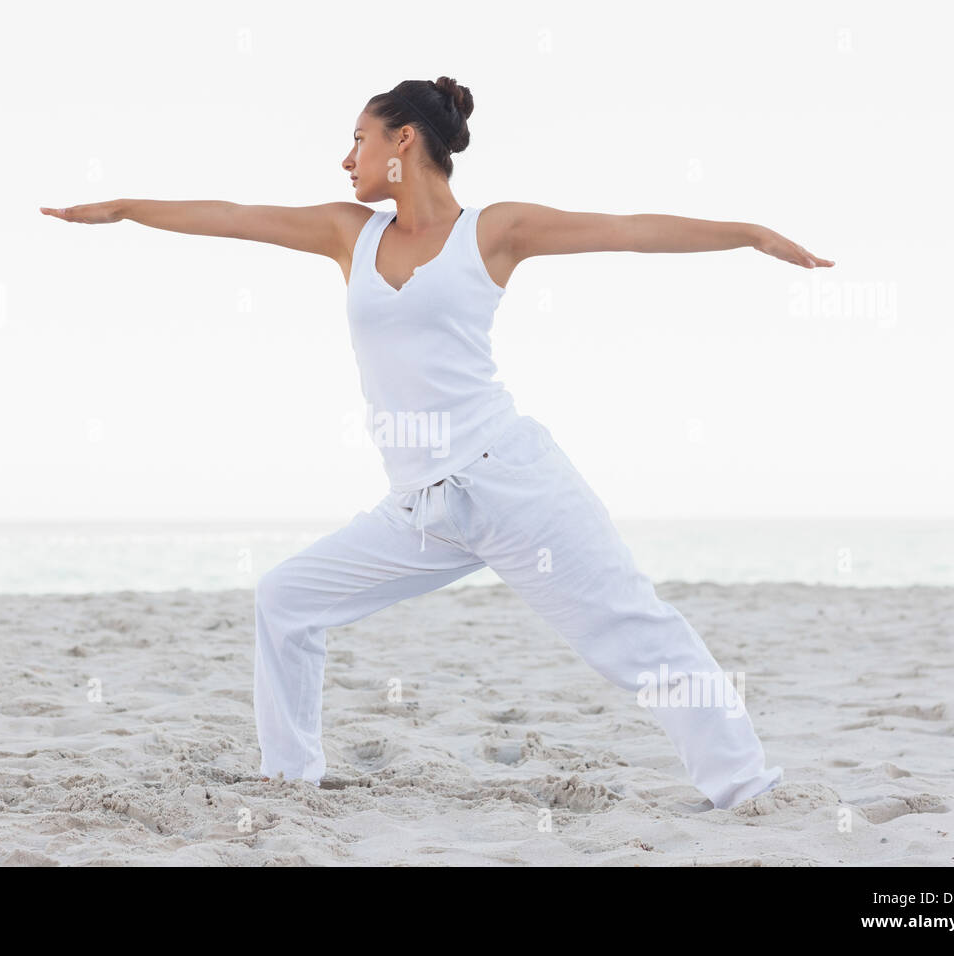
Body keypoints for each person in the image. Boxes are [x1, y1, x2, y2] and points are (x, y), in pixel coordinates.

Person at [40, 76, 833, 810]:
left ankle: (745, 787)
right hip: (419, 509)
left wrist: (748, 234)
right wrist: (125, 208)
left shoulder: (493, 232)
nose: (346, 157)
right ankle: (289, 775)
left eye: (359, 139)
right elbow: (232, 215)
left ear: (405, 142)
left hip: (513, 484)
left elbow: (627, 230)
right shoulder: (346, 233)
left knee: (634, 631)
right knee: (285, 598)